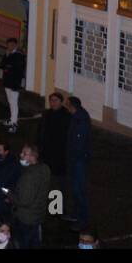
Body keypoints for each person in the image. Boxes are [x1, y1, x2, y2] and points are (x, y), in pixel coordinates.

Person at [12, 143, 51, 249]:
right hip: (38, 215)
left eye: (24, 154)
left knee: (24, 242)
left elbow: (24, 201)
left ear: (33, 157)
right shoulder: (45, 168)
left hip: (26, 218)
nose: (21, 155)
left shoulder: (29, 176)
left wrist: (11, 196)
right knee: (35, 242)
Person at [65, 95, 92, 226]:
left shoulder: (80, 120)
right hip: (76, 159)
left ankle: (83, 219)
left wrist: (73, 158)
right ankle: (77, 215)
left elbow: (79, 144)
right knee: (76, 189)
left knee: (79, 189)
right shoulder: (78, 117)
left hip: (78, 160)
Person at [35, 91, 70, 180]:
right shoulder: (47, 114)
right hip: (47, 147)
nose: (53, 102)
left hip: (60, 149)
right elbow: (41, 129)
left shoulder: (66, 115)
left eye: (56, 100)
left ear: (61, 102)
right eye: (51, 100)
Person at [0, 37, 25, 134]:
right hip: (8, 82)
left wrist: (7, 61)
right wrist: (6, 57)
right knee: (11, 102)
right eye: (8, 45)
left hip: (14, 83)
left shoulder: (18, 56)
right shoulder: (8, 54)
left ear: (15, 45)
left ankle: (14, 123)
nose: (9, 47)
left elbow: (14, 67)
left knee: (14, 103)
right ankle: (11, 119)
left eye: (11, 45)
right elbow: (2, 65)